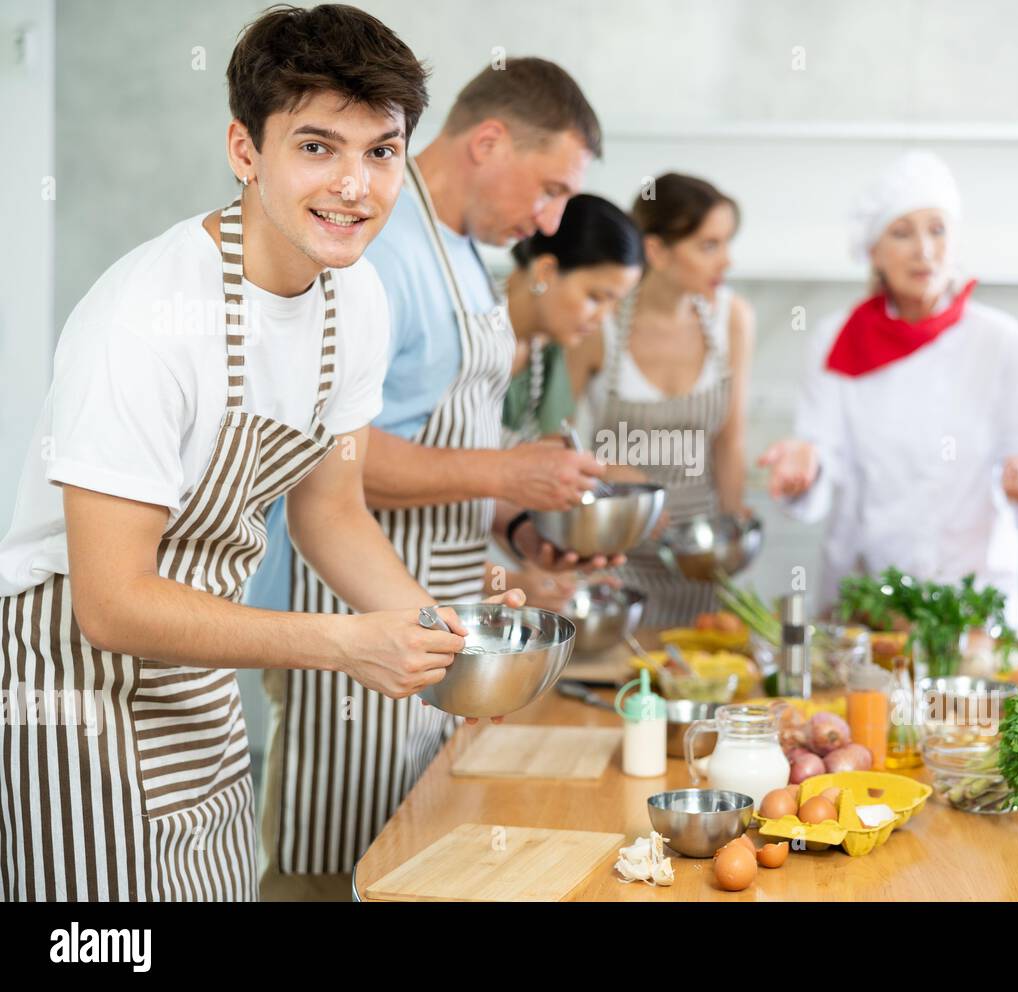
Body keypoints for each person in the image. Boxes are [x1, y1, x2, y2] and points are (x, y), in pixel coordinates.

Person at [0, 4, 489, 901]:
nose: (354, 185)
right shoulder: (144, 319)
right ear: (244, 151)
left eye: (381, 152)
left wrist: (446, 640)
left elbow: (331, 510)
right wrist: (345, 646)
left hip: (199, 682)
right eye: (316, 147)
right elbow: (110, 603)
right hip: (70, 691)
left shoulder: (358, 300)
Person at [245, 57, 606, 899]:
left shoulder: (465, 251)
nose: (552, 219)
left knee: (409, 856)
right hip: (348, 622)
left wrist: (511, 529)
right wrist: (506, 472)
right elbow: (339, 466)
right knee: (332, 870)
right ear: (488, 141)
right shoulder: (387, 250)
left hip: (417, 617)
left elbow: (432, 434)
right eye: (550, 188)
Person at [760, 151, 1018, 623]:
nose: (924, 250)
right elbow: (820, 458)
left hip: (973, 598)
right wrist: (805, 470)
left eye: (937, 229)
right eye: (901, 233)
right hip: (868, 597)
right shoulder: (838, 339)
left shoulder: (1001, 342)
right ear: (873, 252)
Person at [568, 174, 756, 627]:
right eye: (709, 245)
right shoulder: (601, 319)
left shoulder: (733, 318)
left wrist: (733, 530)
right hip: (616, 554)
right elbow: (554, 441)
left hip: (698, 556)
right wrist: (611, 470)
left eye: (727, 242)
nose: (726, 261)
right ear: (656, 251)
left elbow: (729, 441)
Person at [496, 193, 644, 611]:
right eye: (597, 296)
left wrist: (529, 538)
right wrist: (502, 578)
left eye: (616, 303)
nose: (604, 319)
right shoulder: (470, 336)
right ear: (545, 270)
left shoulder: (547, 349)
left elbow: (529, 467)